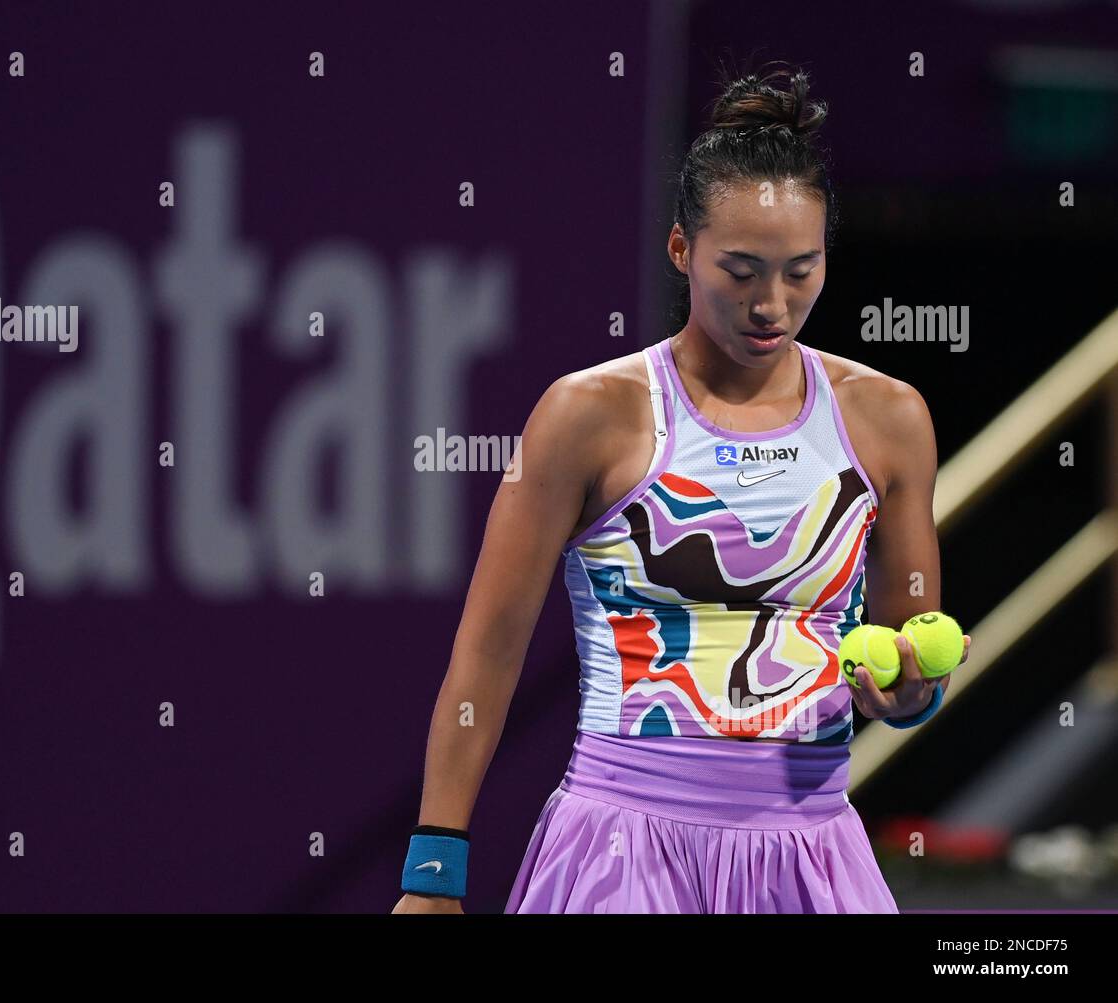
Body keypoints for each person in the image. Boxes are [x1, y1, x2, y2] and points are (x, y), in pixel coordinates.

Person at [391, 63, 971, 915]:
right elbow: (488, 651)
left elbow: (909, 640)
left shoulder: (889, 419)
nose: (772, 303)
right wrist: (432, 871)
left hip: (813, 857)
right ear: (679, 249)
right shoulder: (586, 414)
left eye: (800, 270)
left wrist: (914, 692)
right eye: (740, 269)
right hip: (620, 854)